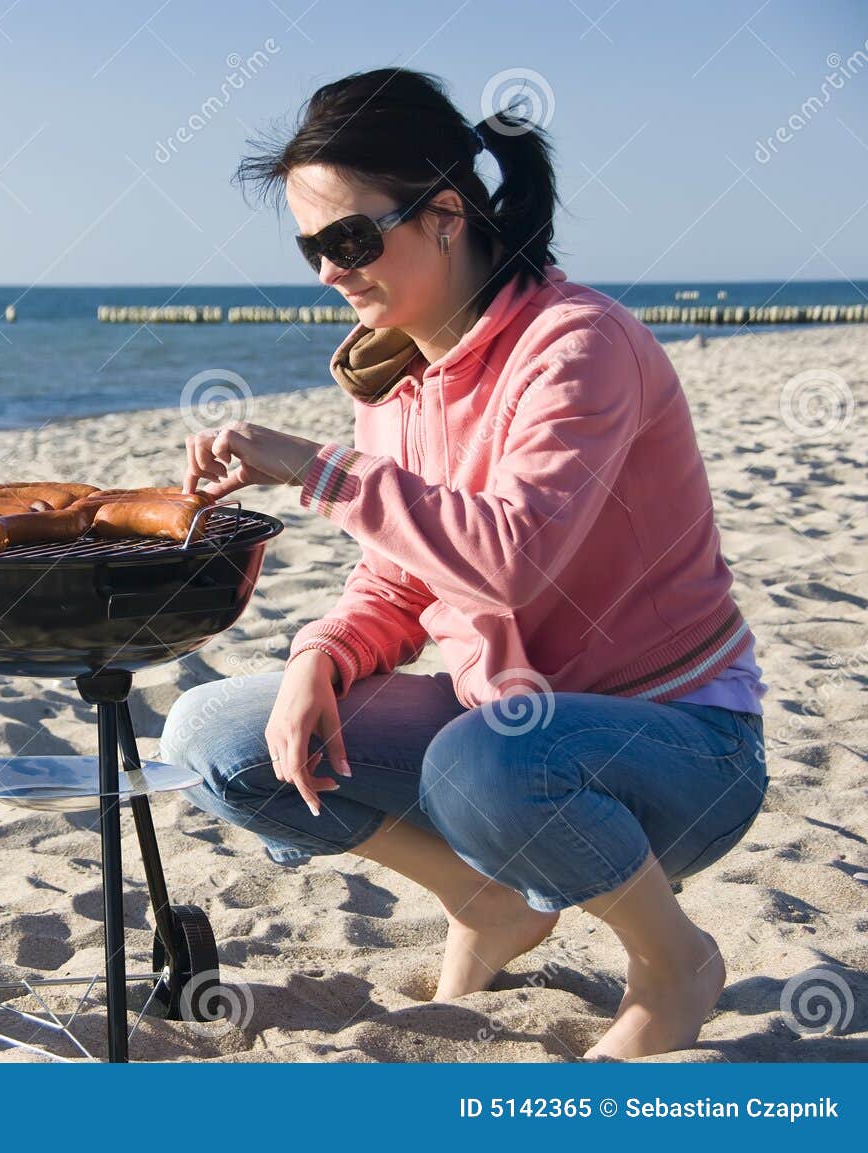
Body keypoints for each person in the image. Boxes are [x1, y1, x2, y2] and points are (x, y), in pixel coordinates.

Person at [161, 68, 768, 1060]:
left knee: (483, 757)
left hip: (681, 748)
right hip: (512, 729)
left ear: (445, 215)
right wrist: (320, 657)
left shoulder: (578, 345)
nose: (328, 272)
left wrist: (317, 470)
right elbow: (401, 576)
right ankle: (483, 899)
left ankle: (673, 961)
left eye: (350, 239)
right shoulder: (395, 374)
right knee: (214, 734)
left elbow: (510, 561)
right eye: (312, 248)